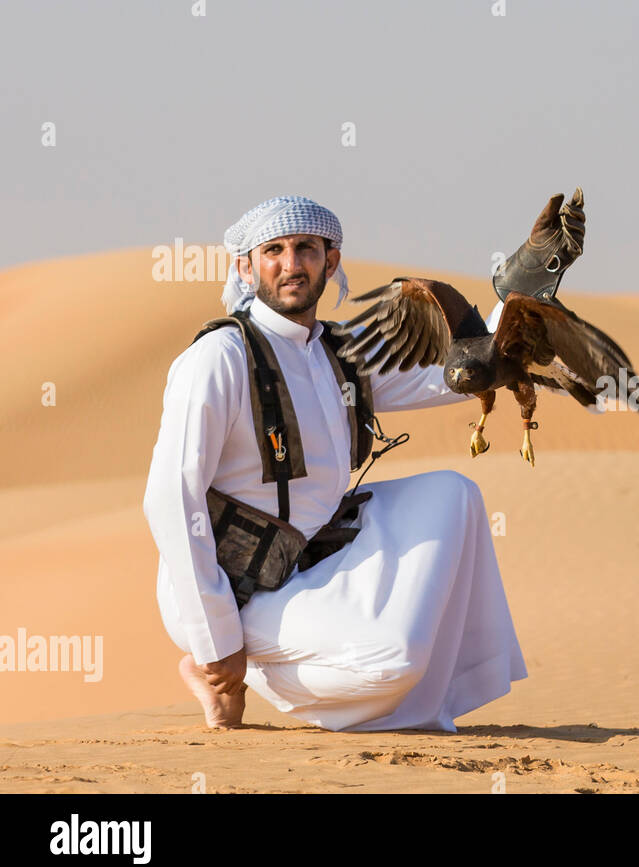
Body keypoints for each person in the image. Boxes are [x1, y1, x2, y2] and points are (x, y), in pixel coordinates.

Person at [142, 195, 527, 731]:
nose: (292, 263)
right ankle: (229, 672)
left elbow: (453, 375)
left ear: (332, 261)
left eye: (306, 248)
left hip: (316, 553)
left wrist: (520, 296)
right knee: (393, 661)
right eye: (273, 250)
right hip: (232, 586)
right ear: (246, 267)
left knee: (454, 496)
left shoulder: (339, 354)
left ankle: (385, 679)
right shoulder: (220, 357)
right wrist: (216, 638)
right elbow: (170, 497)